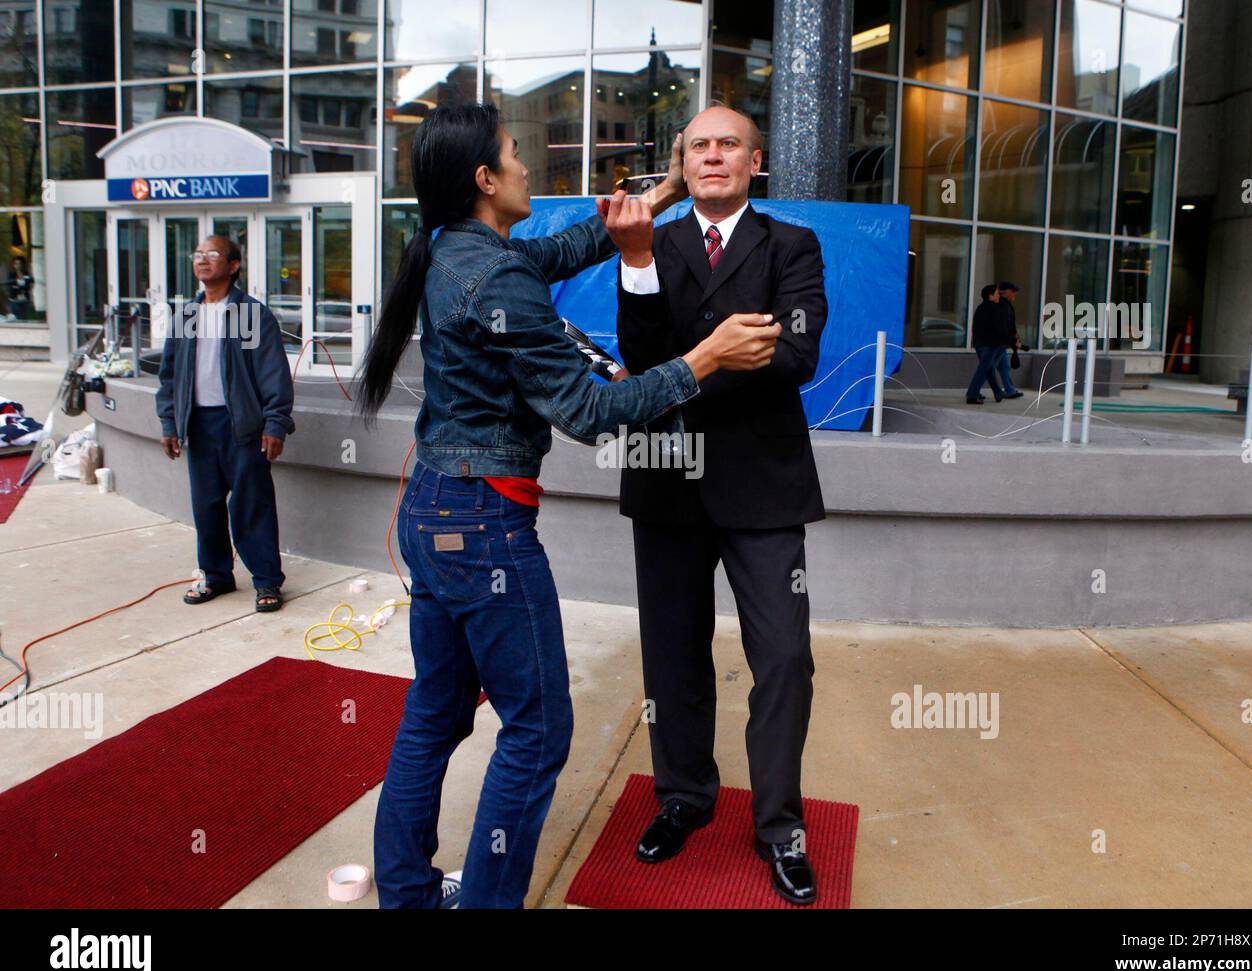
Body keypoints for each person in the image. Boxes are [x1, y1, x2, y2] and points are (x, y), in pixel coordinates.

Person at [354, 102, 782, 910]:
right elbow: (589, 414)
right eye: (515, 157)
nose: (526, 170)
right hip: (484, 530)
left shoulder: (454, 251)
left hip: (432, 514)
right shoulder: (493, 272)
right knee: (539, 731)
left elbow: (551, 253)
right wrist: (706, 355)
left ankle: (408, 894)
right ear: (485, 180)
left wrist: (652, 201)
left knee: (435, 715)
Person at [614, 104, 828, 905]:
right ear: (683, 160)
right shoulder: (651, 247)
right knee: (672, 655)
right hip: (664, 471)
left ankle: (781, 827)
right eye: (698, 145)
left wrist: (687, 366)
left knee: (783, 657)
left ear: (754, 160)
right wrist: (713, 346)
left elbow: (796, 353)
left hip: (762, 482)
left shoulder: (793, 246)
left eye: (727, 144)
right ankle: (682, 797)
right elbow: (639, 354)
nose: (712, 156)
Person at [156, 235, 294, 612]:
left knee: (252, 506)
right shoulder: (187, 314)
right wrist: (170, 423)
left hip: (242, 427)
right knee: (206, 506)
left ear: (233, 266)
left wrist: (275, 423)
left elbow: (272, 373)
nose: (202, 260)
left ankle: (266, 581)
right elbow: (170, 376)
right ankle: (216, 575)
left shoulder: (246, 314)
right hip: (198, 425)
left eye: (212, 254)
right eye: (197, 254)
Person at [966, 284, 1005, 404]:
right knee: (984, 369)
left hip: (979, 343)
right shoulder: (996, 309)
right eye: (997, 293)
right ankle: (972, 394)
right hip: (991, 344)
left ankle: (998, 393)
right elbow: (999, 327)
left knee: (987, 369)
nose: (999, 296)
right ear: (991, 296)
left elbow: (975, 327)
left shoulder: (980, 308)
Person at [995, 280, 1025, 400]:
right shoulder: (1003, 306)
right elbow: (1005, 325)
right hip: (998, 342)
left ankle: (1010, 390)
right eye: (1013, 292)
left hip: (1000, 342)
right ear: (1007, 293)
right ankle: (974, 391)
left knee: (1004, 366)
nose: (1014, 295)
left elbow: (1008, 324)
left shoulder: (1004, 305)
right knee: (988, 368)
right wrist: (1012, 338)